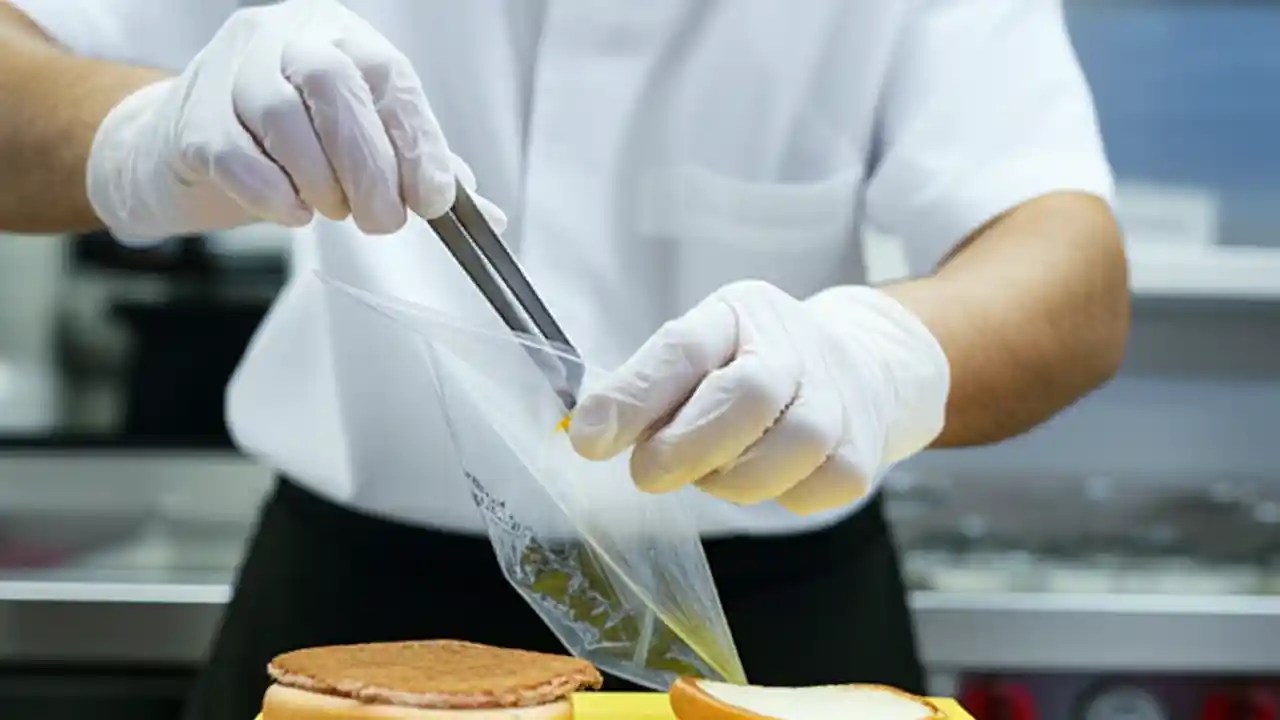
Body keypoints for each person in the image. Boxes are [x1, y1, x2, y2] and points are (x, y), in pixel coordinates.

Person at [0, 0, 1129, 717]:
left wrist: (880, 360)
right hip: (346, 618)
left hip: (778, 637)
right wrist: (150, 133)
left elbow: (1070, 270)